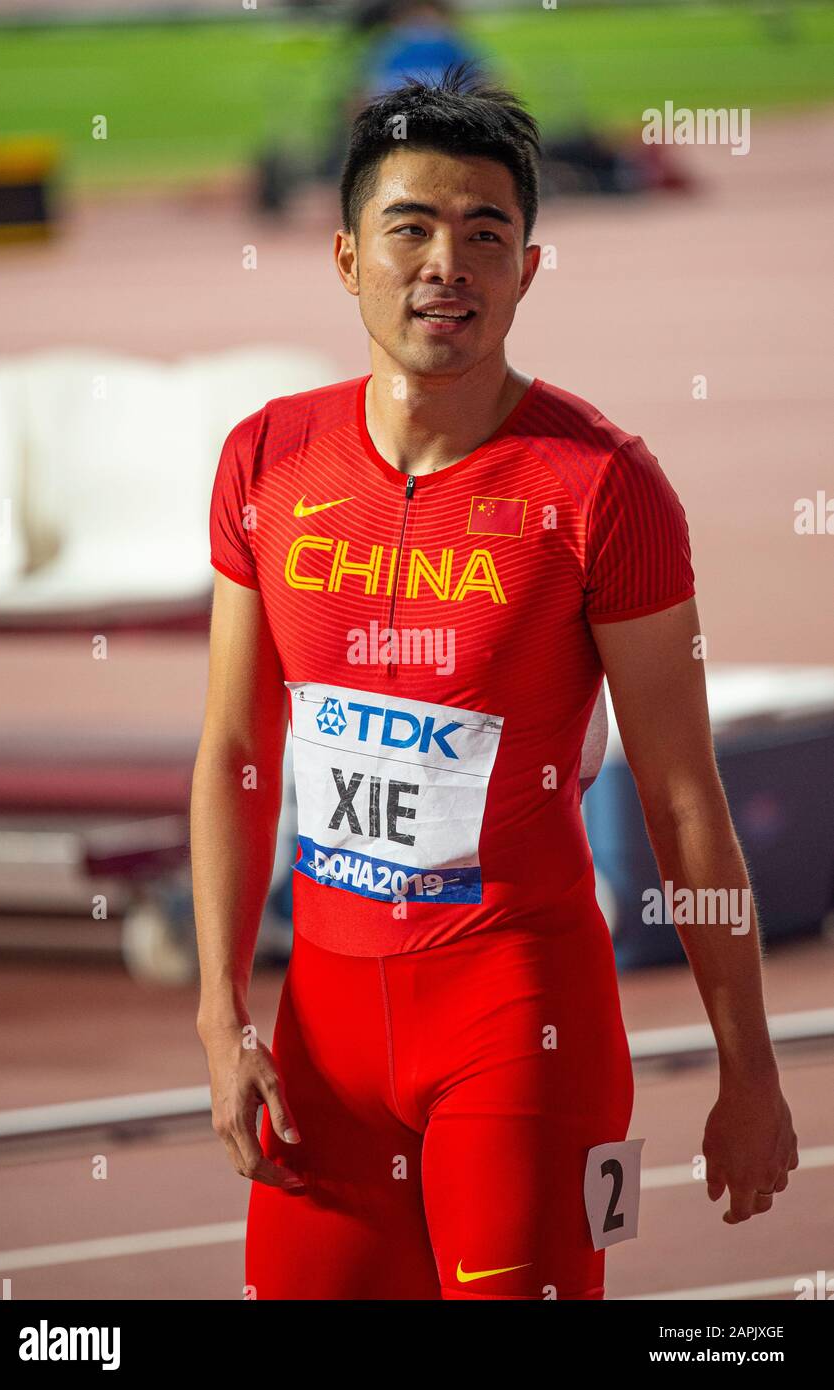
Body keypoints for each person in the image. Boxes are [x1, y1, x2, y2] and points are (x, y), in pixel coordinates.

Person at [191, 62, 798, 1301]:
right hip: (322, 1038)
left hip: (521, 1026)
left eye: (485, 234)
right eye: (408, 228)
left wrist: (749, 1066)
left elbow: (684, 803)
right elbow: (234, 756)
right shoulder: (267, 457)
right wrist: (219, 1013)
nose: (445, 265)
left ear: (527, 268)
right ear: (346, 256)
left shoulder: (602, 488)